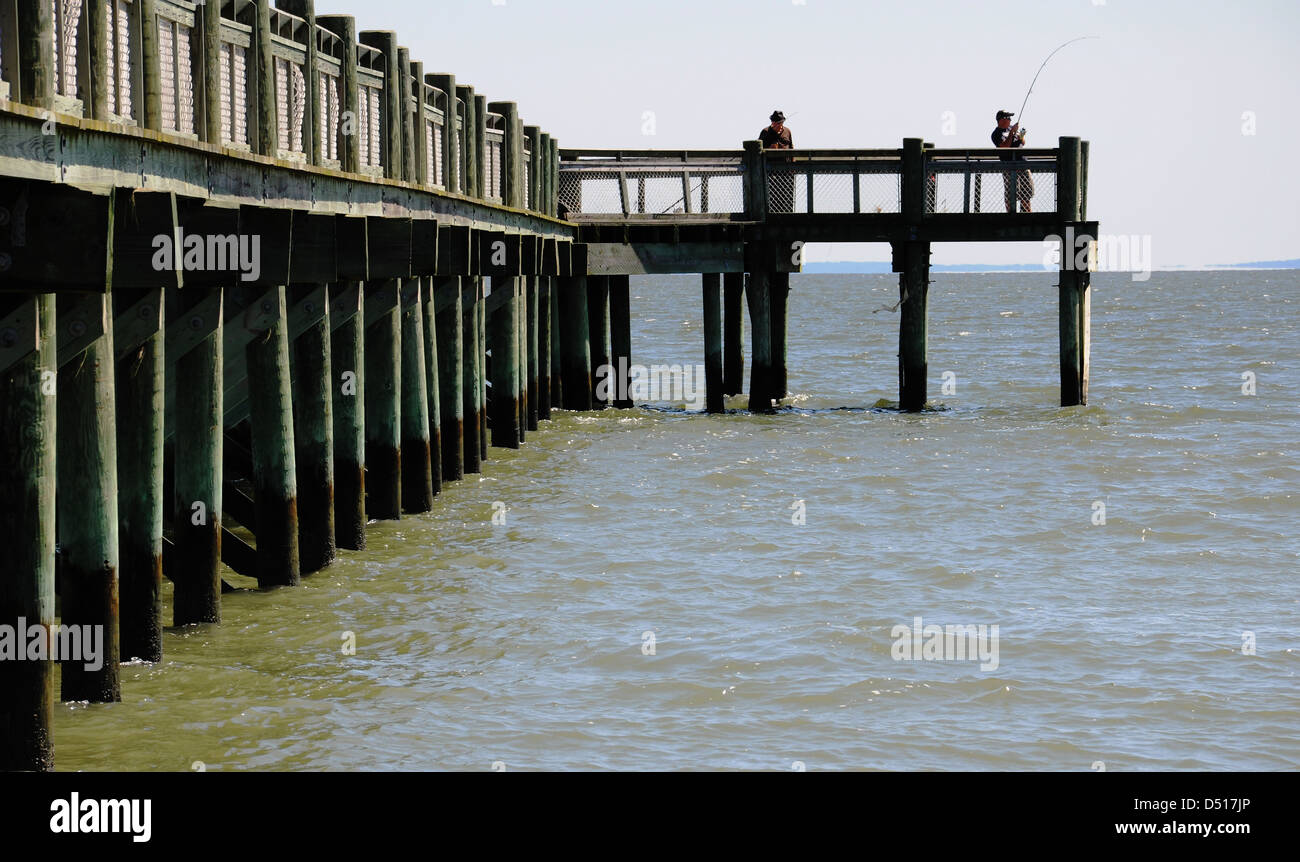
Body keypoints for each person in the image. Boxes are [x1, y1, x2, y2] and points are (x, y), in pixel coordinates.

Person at [991, 110, 1033, 213]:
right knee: (1011, 193)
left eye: (1010, 118)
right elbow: (1004, 147)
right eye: (1008, 118)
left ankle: (1028, 214)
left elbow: (1022, 143)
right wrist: (1011, 133)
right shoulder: (996, 134)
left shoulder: (1011, 129)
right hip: (1009, 166)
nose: (1010, 120)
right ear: (1001, 120)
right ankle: (1010, 216)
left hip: (1022, 163)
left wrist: (1021, 136)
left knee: (1026, 193)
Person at [759, 111, 794, 213]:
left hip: (786, 170)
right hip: (770, 171)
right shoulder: (765, 132)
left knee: (786, 195)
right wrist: (769, 148)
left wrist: (793, 166)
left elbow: (792, 148)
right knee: (772, 195)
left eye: (778, 122)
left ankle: (787, 214)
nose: (776, 125)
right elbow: (759, 150)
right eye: (774, 122)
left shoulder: (787, 131)